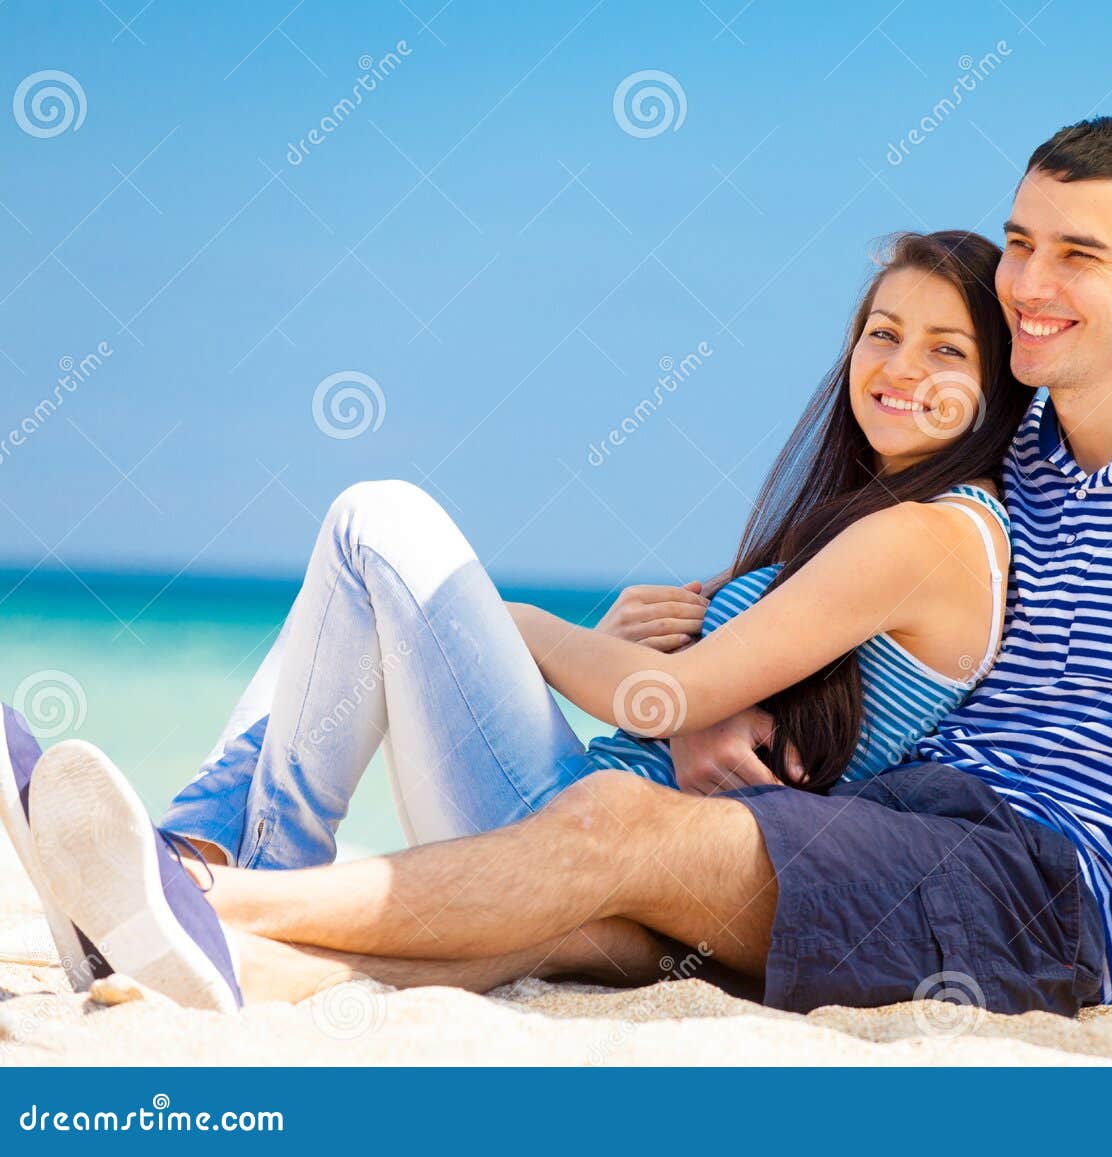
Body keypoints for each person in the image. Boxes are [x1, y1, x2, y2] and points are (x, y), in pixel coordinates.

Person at [17, 116, 1112, 1033]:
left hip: (1056, 886)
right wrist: (718, 674)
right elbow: (864, 658)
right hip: (897, 823)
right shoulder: (1011, 461)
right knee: (613, 903)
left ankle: (202, 881)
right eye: (1022, 244)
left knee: (617, 829)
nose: (1034, 286)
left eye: (1079, 257)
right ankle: (208, 954)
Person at [5, 229, 1038, 1010]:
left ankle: (213, 864)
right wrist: (634, 638)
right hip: (581, 842)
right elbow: (691, 700)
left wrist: (517, 624)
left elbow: (668, 698)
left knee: (379, 523)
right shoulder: (873, 523)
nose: (900, 367)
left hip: (592, 845)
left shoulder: (935, 534)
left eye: (947, 350)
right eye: (882, 332)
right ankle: (178, 896)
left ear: (995, 388)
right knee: (376, 552)